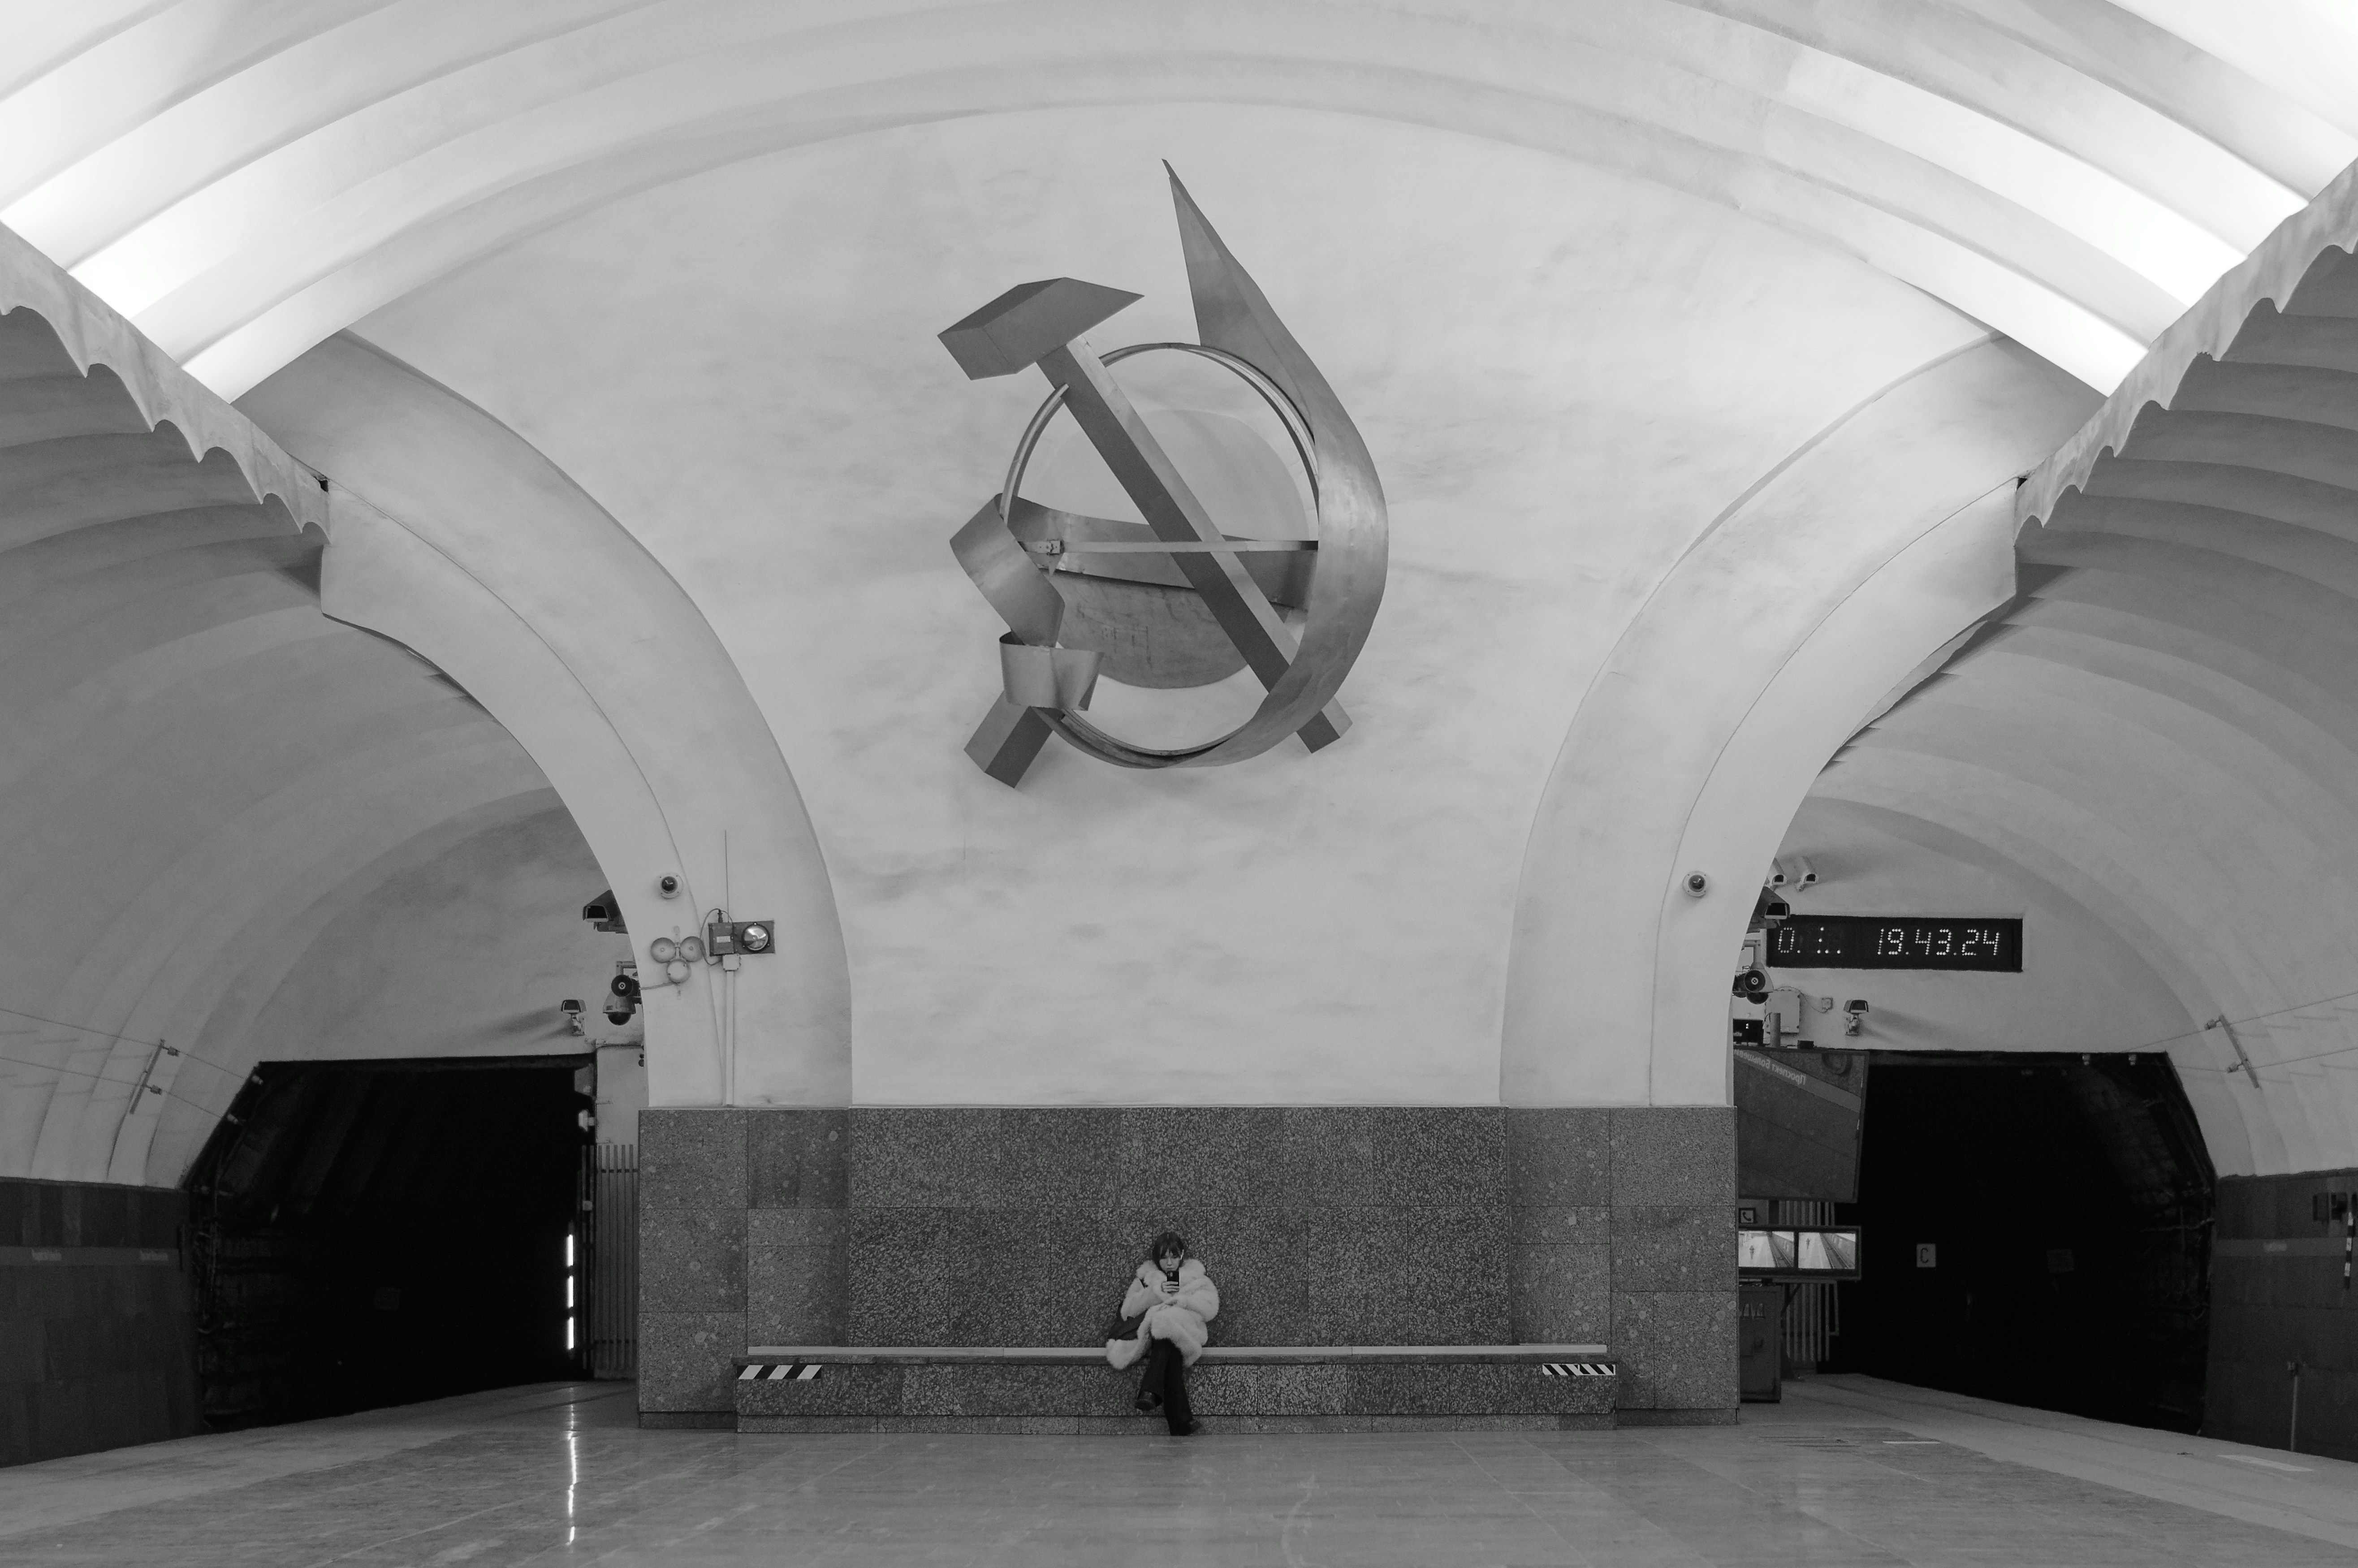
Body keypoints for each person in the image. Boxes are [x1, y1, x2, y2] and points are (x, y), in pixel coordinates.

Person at [1105, 1230, 1218, 1436]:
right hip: (1154, 1337)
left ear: (1182, 1255)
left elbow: (1210, 1308)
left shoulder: (1196, 1278)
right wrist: (1155, 1294)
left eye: (1173, 1257)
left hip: (1187, 1332)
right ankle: (1180, 1422)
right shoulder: (1146, 1279)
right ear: (1157, 1258)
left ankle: (1150, 1390)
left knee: (1166, 1326)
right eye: (1164, 1257)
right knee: (1165, 1334)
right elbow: (1127, 1311)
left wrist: (1183, 1301)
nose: (1169, 1263)